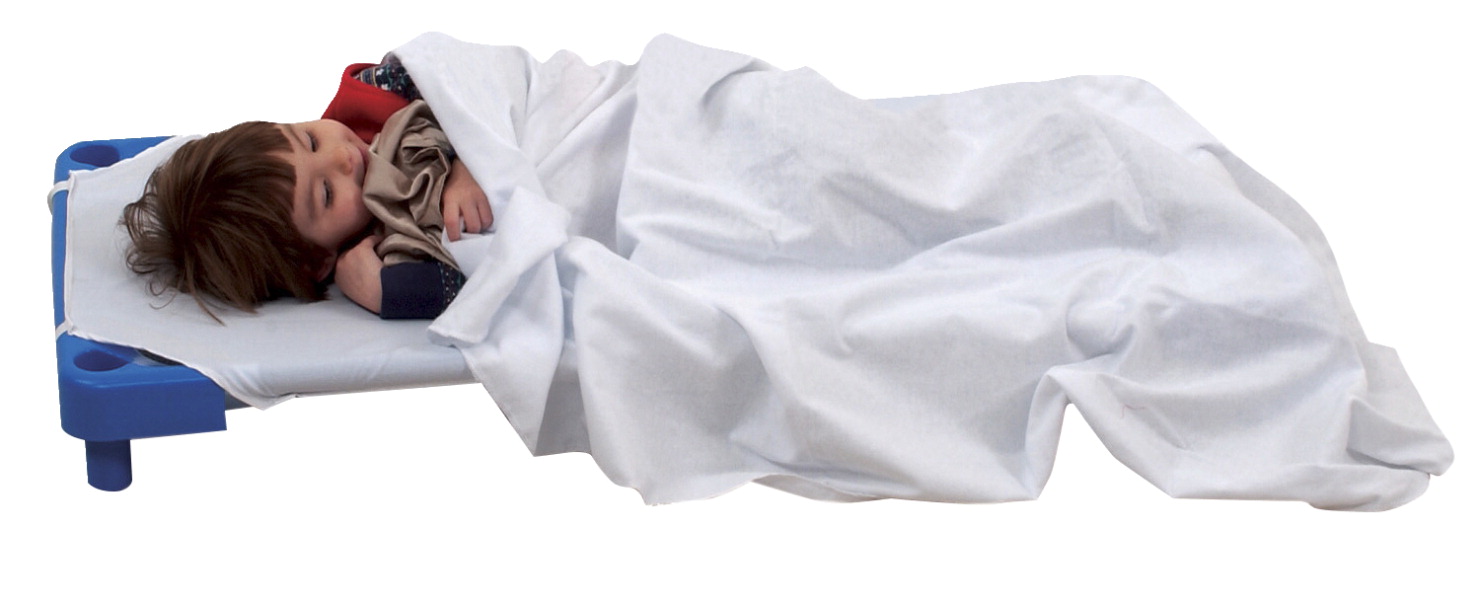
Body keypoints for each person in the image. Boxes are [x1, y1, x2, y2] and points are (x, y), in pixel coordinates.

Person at [121, 57, 490, 320]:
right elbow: (488, 291)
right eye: (327, 193)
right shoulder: (389, 252)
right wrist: (384, 293)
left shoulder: (373, 97)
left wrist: (468, 162)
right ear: (317, 261)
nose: (342, 157)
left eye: (311, 140)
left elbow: (461, 80)